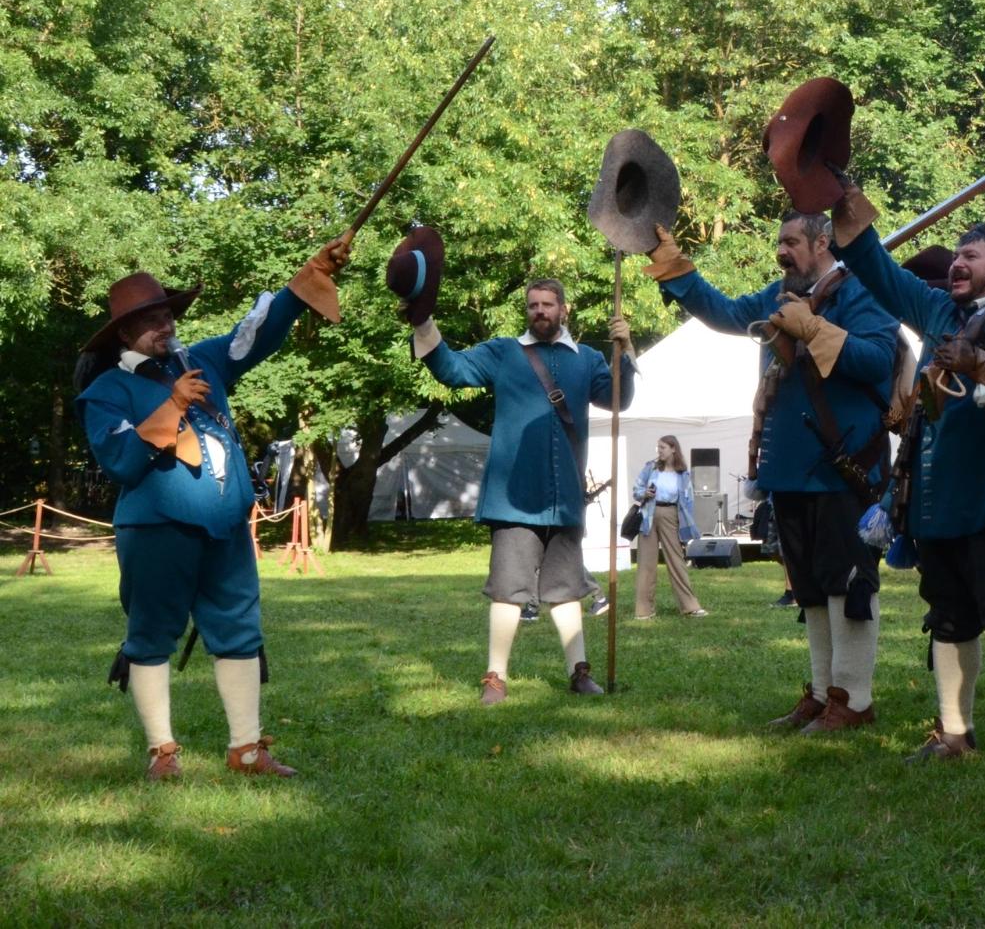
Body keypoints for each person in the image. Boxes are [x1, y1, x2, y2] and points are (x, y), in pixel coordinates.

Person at [74, 236, 350, 780]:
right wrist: (173, 405)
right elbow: (124, 464)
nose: (164, 325)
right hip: (156, 530)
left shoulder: (201, 360)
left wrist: (311, 274)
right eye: (149, 319)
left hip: (225, 529)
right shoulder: (106, 392)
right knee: (151, 635)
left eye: (166, 314)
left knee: (239, 632)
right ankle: (163, 753)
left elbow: (259, 334)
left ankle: (247, 750)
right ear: (125, 334)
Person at [829, 183, 985, 773]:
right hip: (935, 499)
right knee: (949, 617)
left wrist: (981, 361)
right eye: (956, 256)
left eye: (972, 257)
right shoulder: (938, 311)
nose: (957, 263)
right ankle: (954, 732)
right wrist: (847, 214)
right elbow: (878, 271)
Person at [645, 210, 899, 733]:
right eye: (779, 242)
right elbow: (723, 312)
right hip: (790, 469)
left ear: (823, 241)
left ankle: (854, 698)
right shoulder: (778, 294)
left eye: (791, 242)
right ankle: (828, 691)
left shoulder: (862, 292)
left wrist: (814, 328)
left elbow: (877, 361)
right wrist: (672, 266)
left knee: (845, 585)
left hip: (844, 467)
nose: (781, 252)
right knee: (810, 588)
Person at [407, 277, 635, 703]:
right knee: (508, 589)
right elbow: (453, 370)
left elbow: (618, 401)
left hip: (565, 495)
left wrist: (625, 352)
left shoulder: (587, 359)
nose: (540, 311)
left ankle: (578, 671)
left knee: (566, 589)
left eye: (548, 304)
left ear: (563, 310)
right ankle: (495, 677)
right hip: (513, 498)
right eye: (533, 305)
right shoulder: (503, 352)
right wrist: (424, 325)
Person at [632, 435, 705, 619]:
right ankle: (644, 611)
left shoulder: (683, 475)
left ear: (673, 449)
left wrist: (686, 525)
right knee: (646, 563)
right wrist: (645, 493)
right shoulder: (651, 467)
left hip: (671, 514)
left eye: (662, 447)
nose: (659, 451)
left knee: (676, 560)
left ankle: (690, 606)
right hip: (649, 514)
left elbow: (688, 502)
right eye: (658, 447)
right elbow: (637, 489)